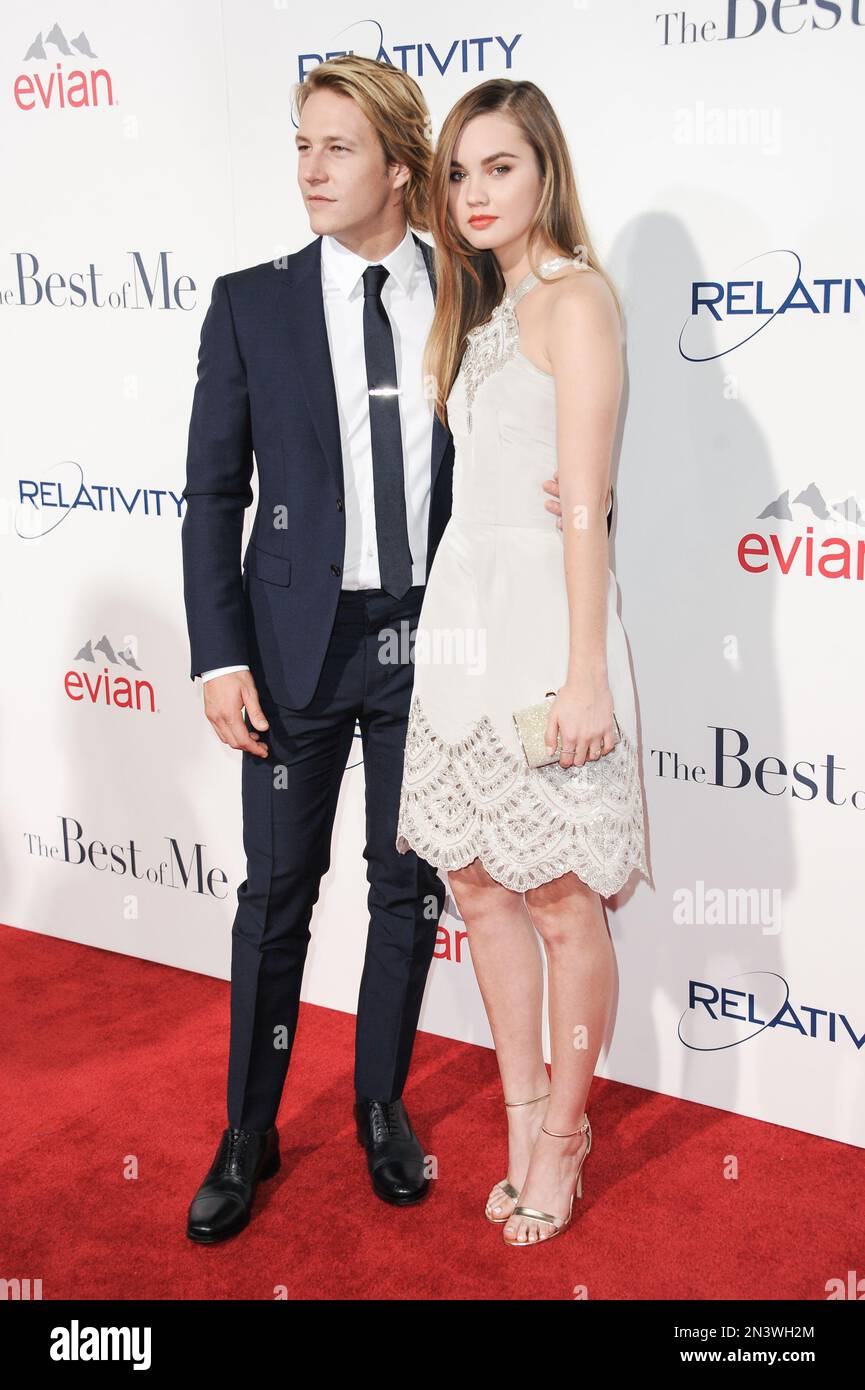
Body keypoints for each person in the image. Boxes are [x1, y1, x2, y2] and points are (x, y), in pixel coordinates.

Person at [180, 56, 565, 1243]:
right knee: (275, 894)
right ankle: (248, 1129)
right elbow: (211, 492)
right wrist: (217, 652)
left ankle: (380, 1105)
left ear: (400, 165)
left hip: (432, 638)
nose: (310, 167)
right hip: (293, 642)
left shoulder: (474, 291)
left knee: (405, 888)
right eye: (301, 144)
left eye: (337, 147)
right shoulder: (251, 300)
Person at [395, 79, 650, 1248]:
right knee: (481, 886)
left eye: (498, 166)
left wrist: (585, 674)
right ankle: (522, 1107)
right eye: (457, 172)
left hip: (545, 627)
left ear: (544, 167)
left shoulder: (574, 300)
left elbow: (585, 505)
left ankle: (565, 1138)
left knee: (558, 901)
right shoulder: (480, 314)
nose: (474, 192)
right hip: (464, 617)